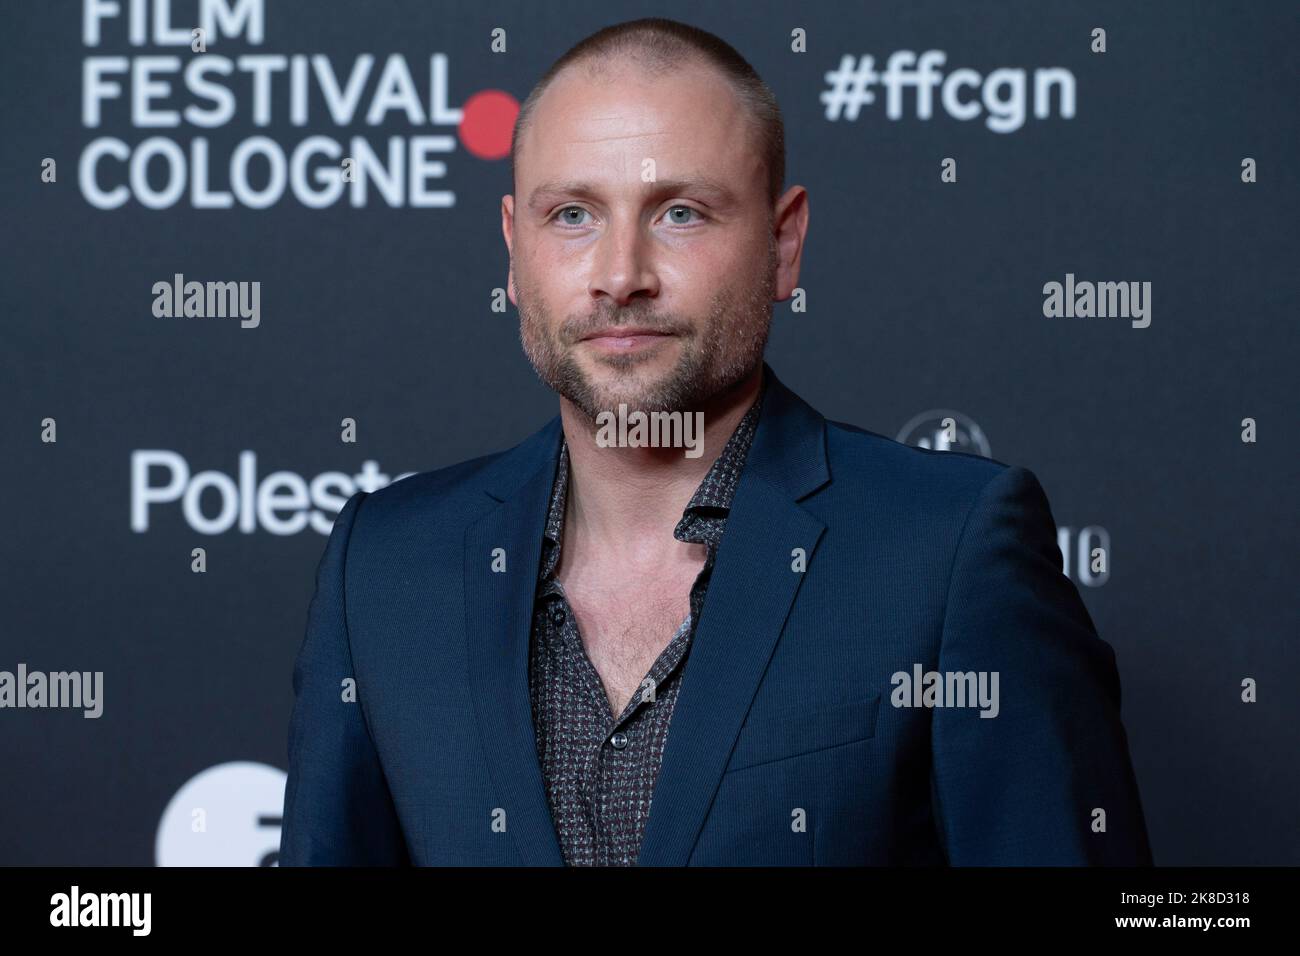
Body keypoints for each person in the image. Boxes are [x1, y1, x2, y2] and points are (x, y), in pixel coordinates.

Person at [280, 17, 1152, 866]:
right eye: (574, 214)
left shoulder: (950, 553)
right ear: (514, 249)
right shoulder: (385, 570)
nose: (622, 276)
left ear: (783, 243)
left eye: (682, 213)